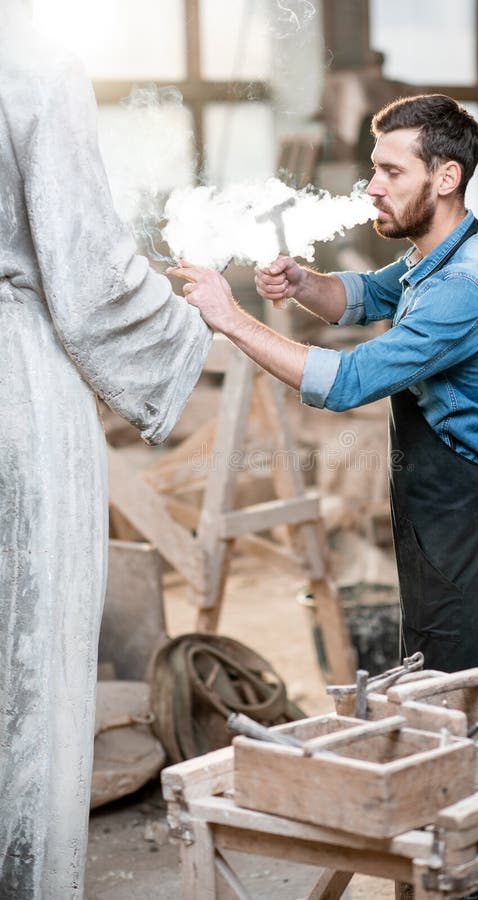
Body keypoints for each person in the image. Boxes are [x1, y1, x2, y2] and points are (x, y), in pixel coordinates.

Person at [170, 92, 478, 900]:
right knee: (441, 708)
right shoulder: (441, 255)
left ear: (445, 175)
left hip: (470, 529)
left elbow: (345, 381)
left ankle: (476, 887)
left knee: (471, 728)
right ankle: (451, 876)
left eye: (388, 170)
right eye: (371, 167)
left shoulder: (467, 282)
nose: (370, 184)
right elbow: (365, 298)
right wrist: (303, 283)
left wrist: (230, 318)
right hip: (441, 519)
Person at [0, 7, 211, 899]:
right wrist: (188, 329)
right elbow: (85, 280)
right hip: (14, 387)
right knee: (29, 666)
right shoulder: (34, 62)